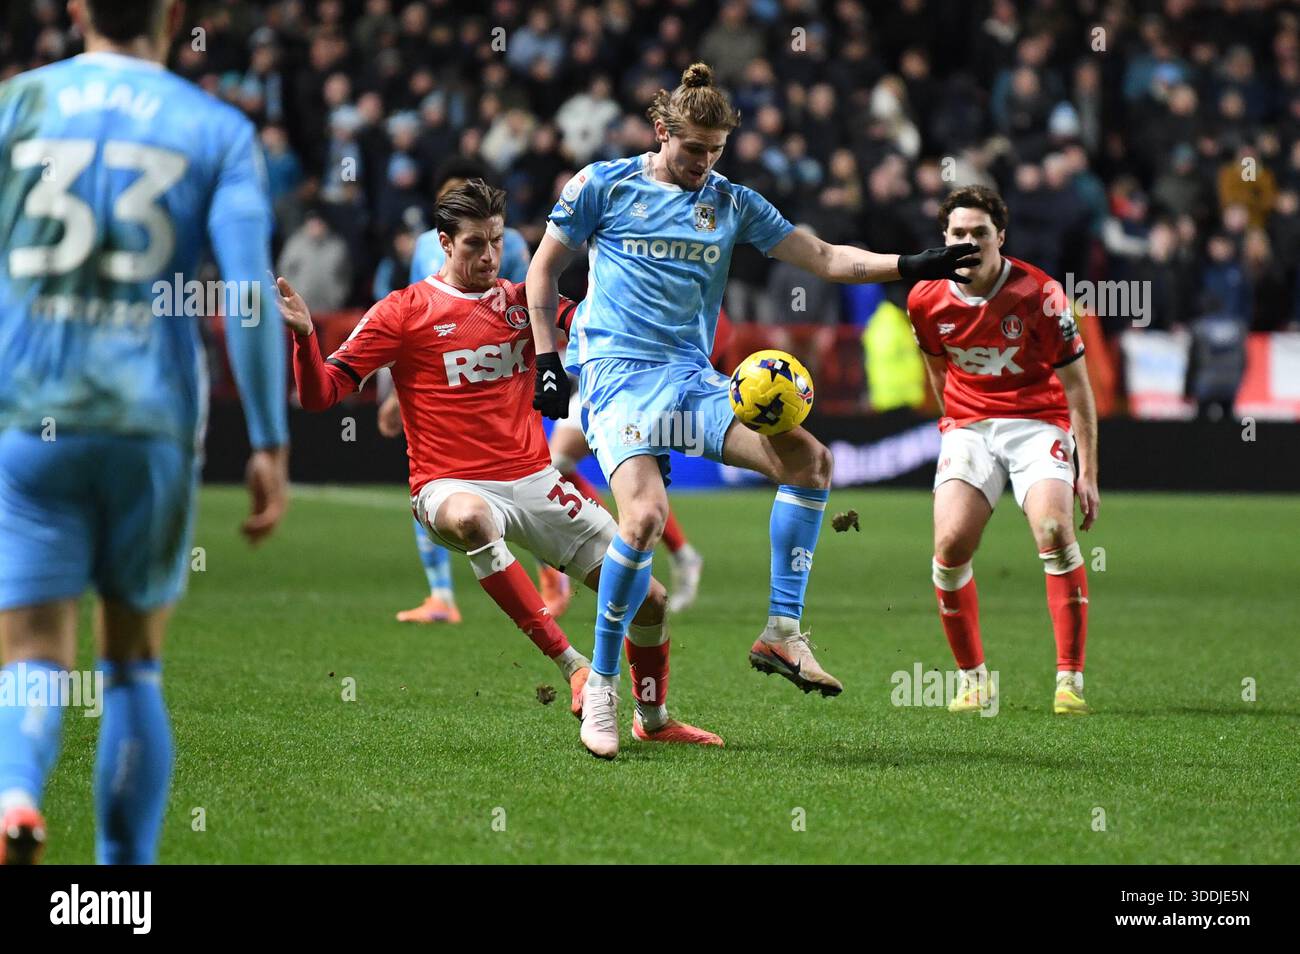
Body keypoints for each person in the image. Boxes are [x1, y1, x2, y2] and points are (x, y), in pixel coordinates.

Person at [527, 63, 979, 758]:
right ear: (661, 131)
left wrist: (914, 264)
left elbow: (826, 258)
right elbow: (542, 270)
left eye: (715, 150)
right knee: (643, 518)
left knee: (810, 458)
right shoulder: (603, 185)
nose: (704, 162)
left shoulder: (731, 202)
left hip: (689, 379)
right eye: (693, 149)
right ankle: (605, 693)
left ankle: (782, 631)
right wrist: (550, 361)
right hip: (617, 380)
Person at [284, 179, 722, 753]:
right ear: (444, 243)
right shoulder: (403, 311)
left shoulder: (523, 302)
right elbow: (321, 396)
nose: (488, 256)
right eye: (473, 244)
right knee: (472, 519)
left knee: (652, 600)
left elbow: (596, 326)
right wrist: (304, 338)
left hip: (534, 480)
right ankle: (574, 668)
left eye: (495, 241)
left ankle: (655, 718)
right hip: (447, 484)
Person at [0, 0, 290, 863]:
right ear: (175, 15)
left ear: (78, 8)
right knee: (130, 663)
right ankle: (121, 889)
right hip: (150, 421)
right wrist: (269, 439)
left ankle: (16, 791)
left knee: (31, 649)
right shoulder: (215, 127)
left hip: (27, 416)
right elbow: (245, 293)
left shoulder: (18, 107)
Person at [907, 185, 1099, 716]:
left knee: (1055, 531)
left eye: (979, 233)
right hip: (969, 426)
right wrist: (952, 422)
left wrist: (1088, 473)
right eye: (958, 234)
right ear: (944, 239)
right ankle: (974, 682)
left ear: (1000, 238)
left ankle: (1069, 680)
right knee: (948, 546)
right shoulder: (925, 297)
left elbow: (1080, 389)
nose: (968, 242)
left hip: (1038, 421)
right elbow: (938, 367)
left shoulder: (1041, 295)